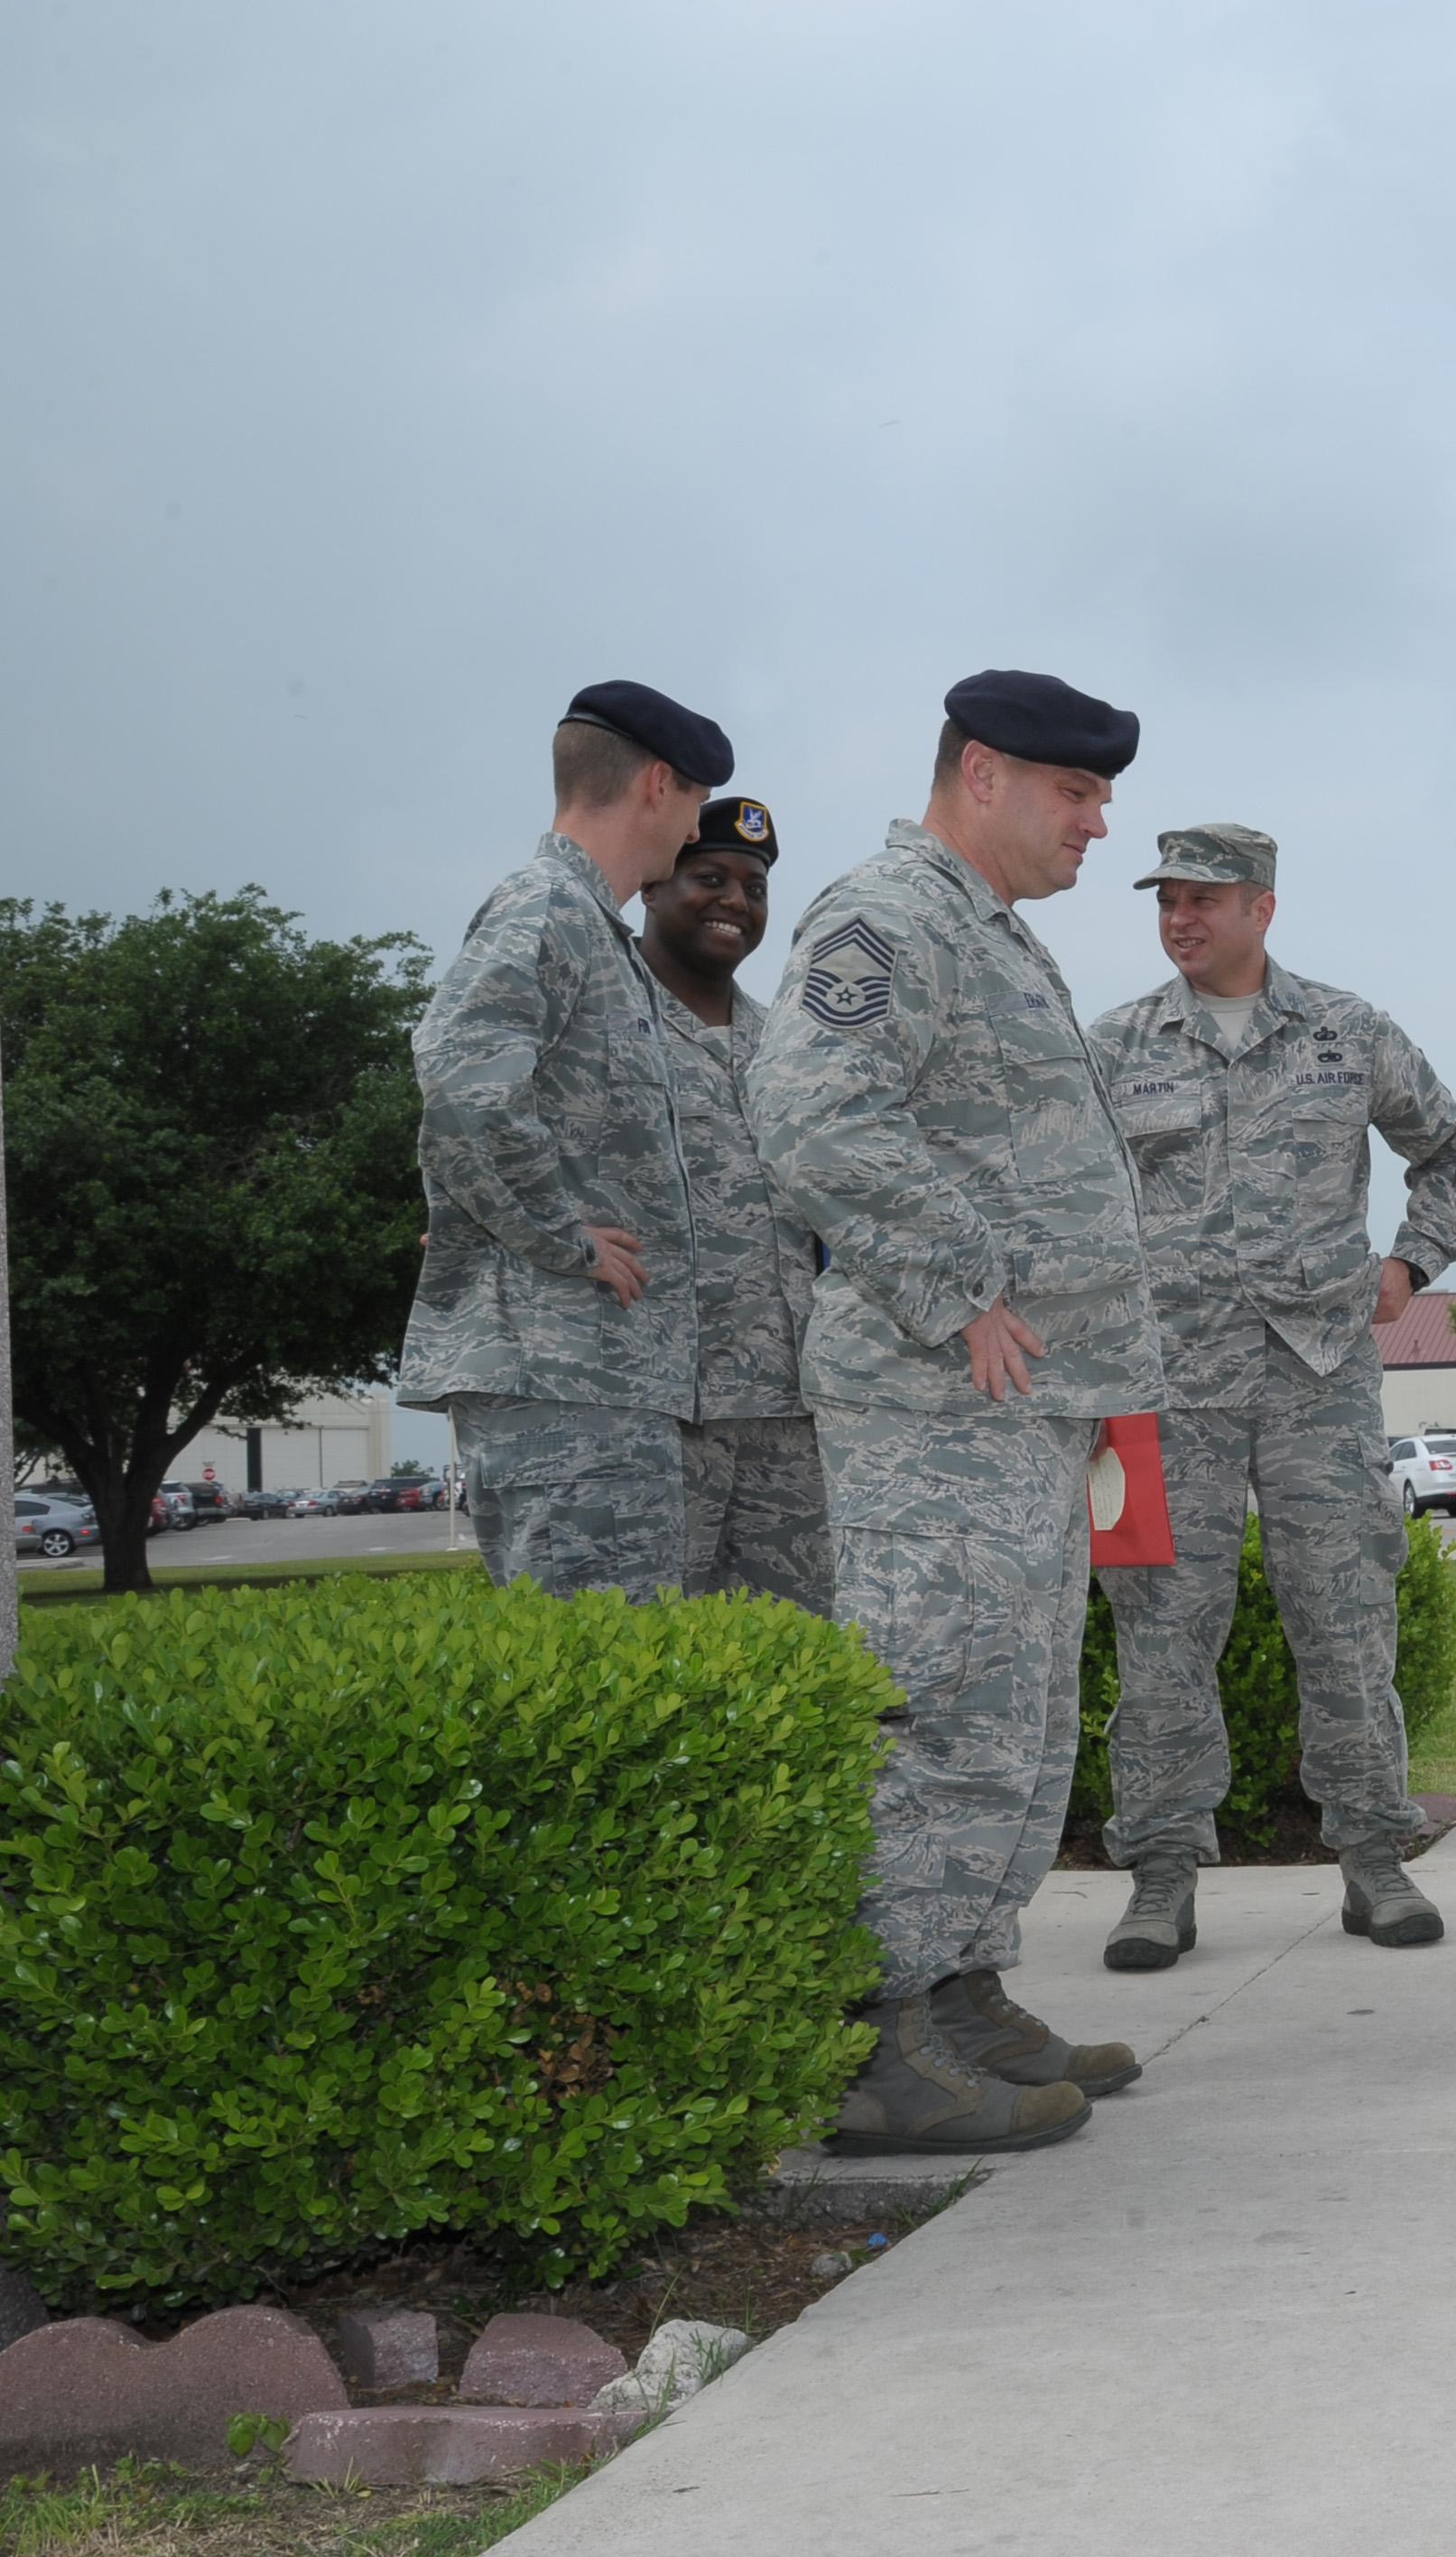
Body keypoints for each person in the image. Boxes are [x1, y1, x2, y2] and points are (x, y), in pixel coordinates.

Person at [747, 670, 1164, 2157]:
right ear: (982, 774)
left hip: (1021, 1405)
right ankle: (871, 2039)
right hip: (936, 1395)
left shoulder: (992, 937)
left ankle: (962, 1989)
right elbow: (807, 1110)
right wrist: (958, 1279)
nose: (1098, 822)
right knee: (931, 1703)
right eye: (1077, 793)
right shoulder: (888, 915)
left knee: (1016, 1709)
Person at [1087, 823, 1456, 1969]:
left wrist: (1409, 1264)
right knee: (1162, 1637)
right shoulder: (1113, 1046)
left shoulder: (1346, 1033)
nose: (1179, 919)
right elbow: (1058, 1192)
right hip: (1163, 1389)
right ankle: (1159, 1880)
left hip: (1318, 1377)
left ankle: (1373, 1861)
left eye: (1203, 899)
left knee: (1347, 1622)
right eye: (1165, 900)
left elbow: (1448, 1149)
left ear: (1262, 908)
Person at [400, 681, 720, 1598]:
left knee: (621, 1668)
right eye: (695, 804)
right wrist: (562, 1238)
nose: (693, 833)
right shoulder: (547, 909)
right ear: (657, 784)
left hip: (595, 1379)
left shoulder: (588, 926)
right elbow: (465, 1084)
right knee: (606, 1677)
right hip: (563, 1379)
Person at [634, 795, 832, 1614]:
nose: (735, 902)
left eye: (753, 887)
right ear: (652, 885)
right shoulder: (603, 1014)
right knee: (643, 1658)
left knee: (797, 1663)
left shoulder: (785, 1042)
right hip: (651, 1401)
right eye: (709, 877)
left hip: (786, 1410)